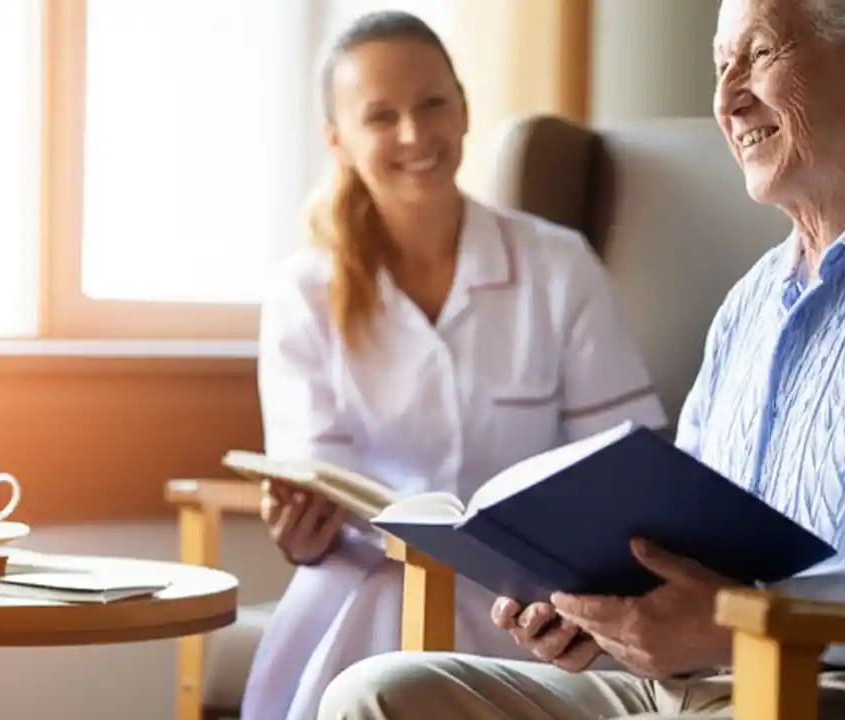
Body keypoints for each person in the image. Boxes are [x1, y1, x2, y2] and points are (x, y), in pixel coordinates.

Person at [317, 0, 845, 718]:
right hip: (679, 686)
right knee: (377, 696)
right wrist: (606, 607)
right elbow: (683, 535)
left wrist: (737, 617)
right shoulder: (749, 305)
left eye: (758, 56)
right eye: (721, 66)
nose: (726, 98)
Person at [239, 10, 666, 720]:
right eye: (381, 116)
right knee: (385, 599)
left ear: (465, 108)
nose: (413, 134)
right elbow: (318, 481)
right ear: (337, 140)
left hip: (528, 591)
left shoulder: (558, 267)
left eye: (432, 103)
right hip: (366, 583)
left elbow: (628, 461)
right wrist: (303, 534)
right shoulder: (303, 293)